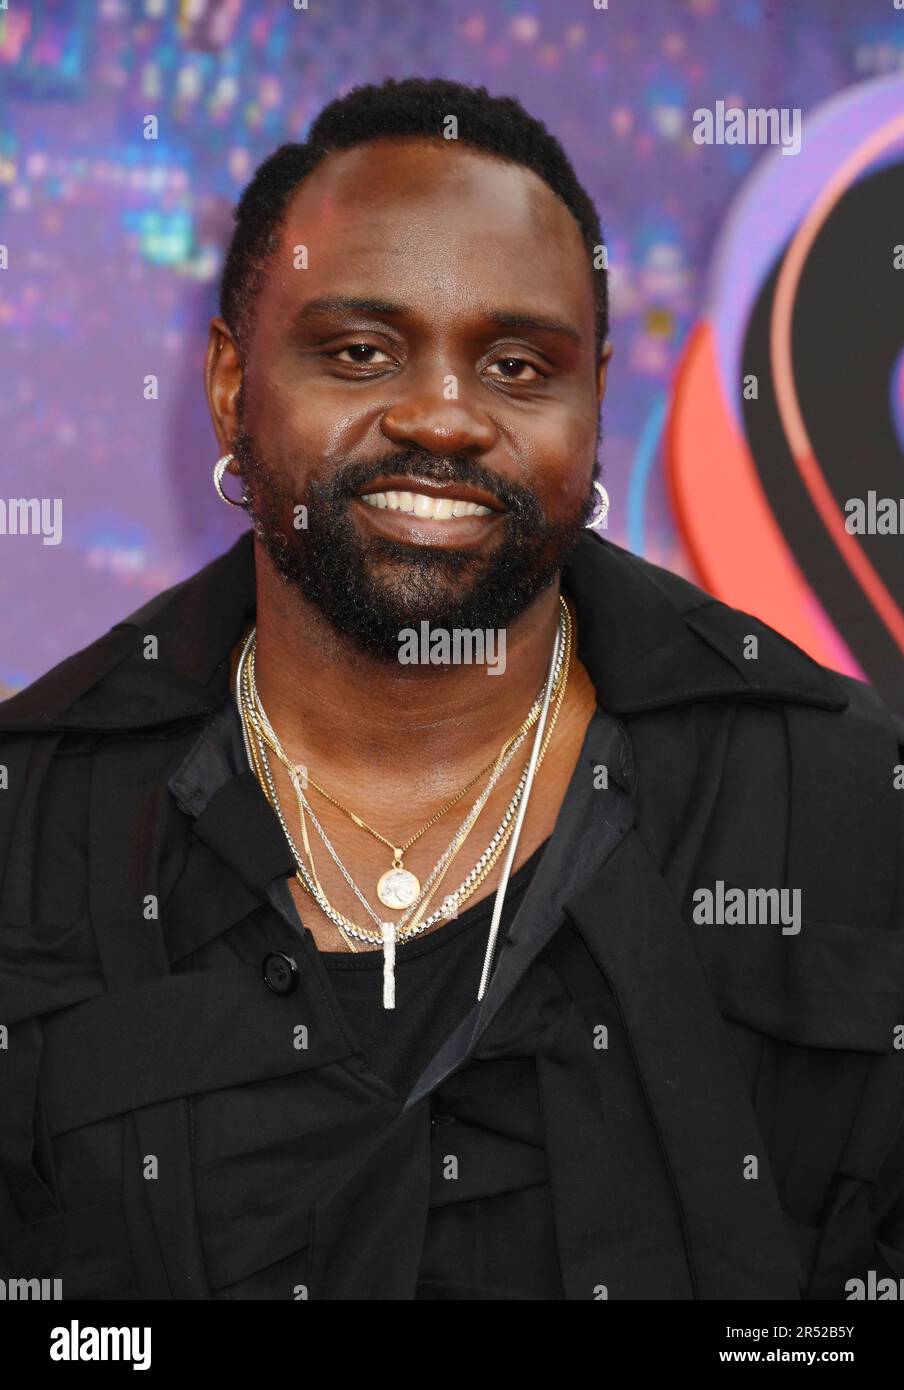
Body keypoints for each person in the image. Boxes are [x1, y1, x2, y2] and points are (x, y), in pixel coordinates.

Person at [1, 77, 902, 1302]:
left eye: (519, 363)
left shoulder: (849, 801)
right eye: (360, 351)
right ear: (229, 383)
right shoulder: (30, 812)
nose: (441, 416)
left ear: (593, 416)